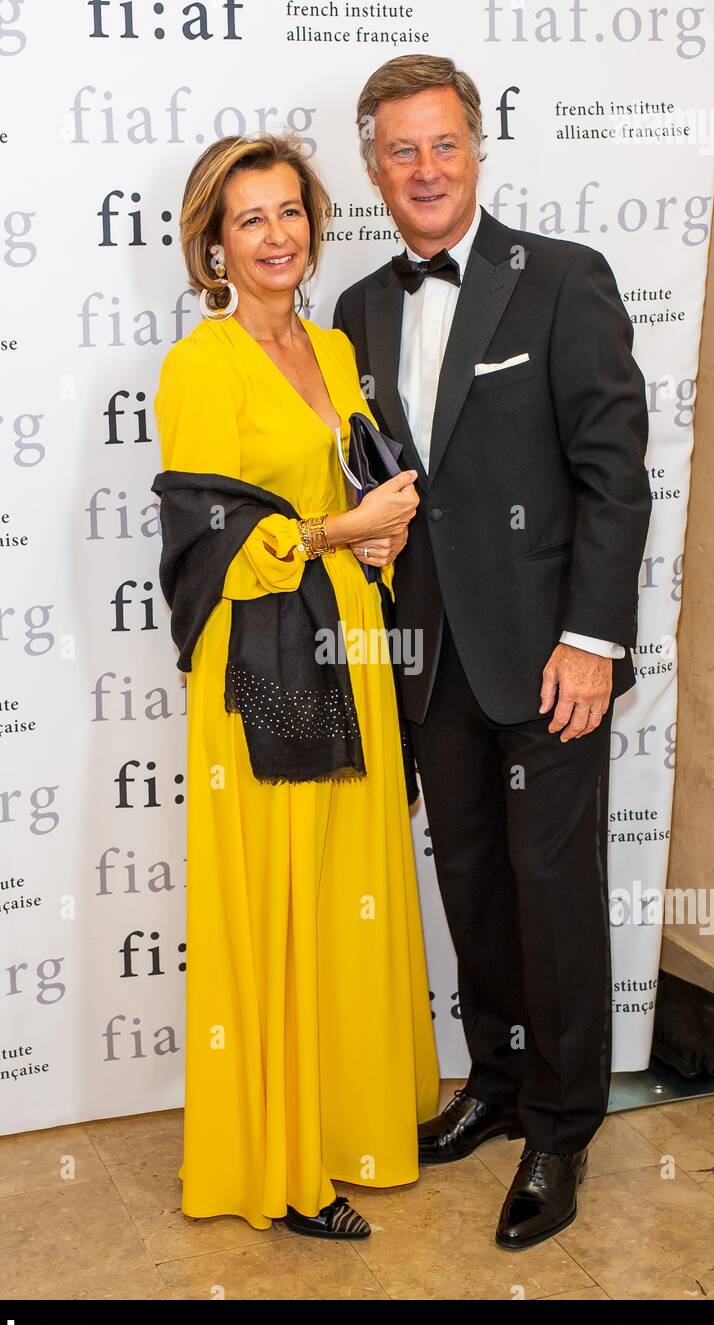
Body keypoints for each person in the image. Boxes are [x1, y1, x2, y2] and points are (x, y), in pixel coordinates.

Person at [333, 54, 652, 1251]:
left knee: (554, 895)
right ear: (374, 167)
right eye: (399, 150)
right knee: (468, 883)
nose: (423, 168)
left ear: (477, 149)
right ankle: (499, 1084)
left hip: (548, 656)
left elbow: (613, 477)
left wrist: (589, 640)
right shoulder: (358, 309)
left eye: (443, 144)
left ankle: (562, 1131)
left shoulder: (563, 280)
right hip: (426, 660)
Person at [152, 132, 440, 1238]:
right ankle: (281, 1167)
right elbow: (210, 540)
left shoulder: (331, 346)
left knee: (345, 884)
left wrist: (377, 541)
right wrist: (335, 530)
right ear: (214, 246)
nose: (276, 236)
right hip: (261, 664)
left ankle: (350, 1123)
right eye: (249, 220)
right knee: (276, 896)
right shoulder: (201, 363)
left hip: (350, 646)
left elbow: (356, 490)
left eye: (289, 213)